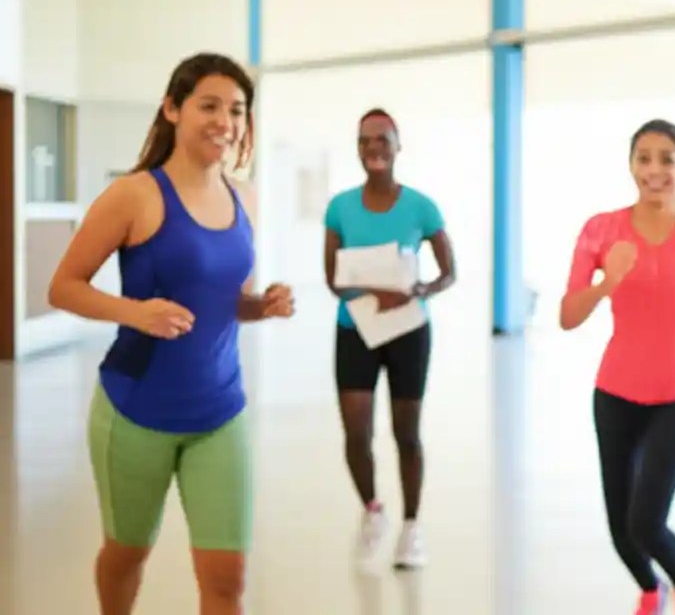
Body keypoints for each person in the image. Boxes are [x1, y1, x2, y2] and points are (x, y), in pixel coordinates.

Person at [47, 52, 295, 615]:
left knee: (227, 579)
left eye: (237, 109)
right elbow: (63, 287)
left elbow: (228, 302)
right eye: (209, 105)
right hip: (135, 411)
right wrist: (135, 313)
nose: (225, 121)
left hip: (220, 411)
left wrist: (263, 305)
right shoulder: (135, 195)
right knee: (126, 555)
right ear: (172, 109)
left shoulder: (245, 197)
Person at [559, 118, 675, 615]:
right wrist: (607, 282)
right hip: (615, 393)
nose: (655, 169)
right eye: (644, 158)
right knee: (621, 530)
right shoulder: (602, 230)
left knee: (645, 521)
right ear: (631, 167)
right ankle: (650, 587)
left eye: (667, 159)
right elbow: (568, 316)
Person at [323, 108, 456, 569]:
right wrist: (372, 292)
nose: (373, 148)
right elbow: (332, 279)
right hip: (355, 329)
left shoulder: (421, 207)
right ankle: (373, 510)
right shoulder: (340, 207)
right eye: (365, 140)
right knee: (356, 433)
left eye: (382, 139)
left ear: (398, 146)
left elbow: (448, 272)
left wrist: (419, 290)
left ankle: (412, 528)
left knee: (407, 434)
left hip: (407, 332)